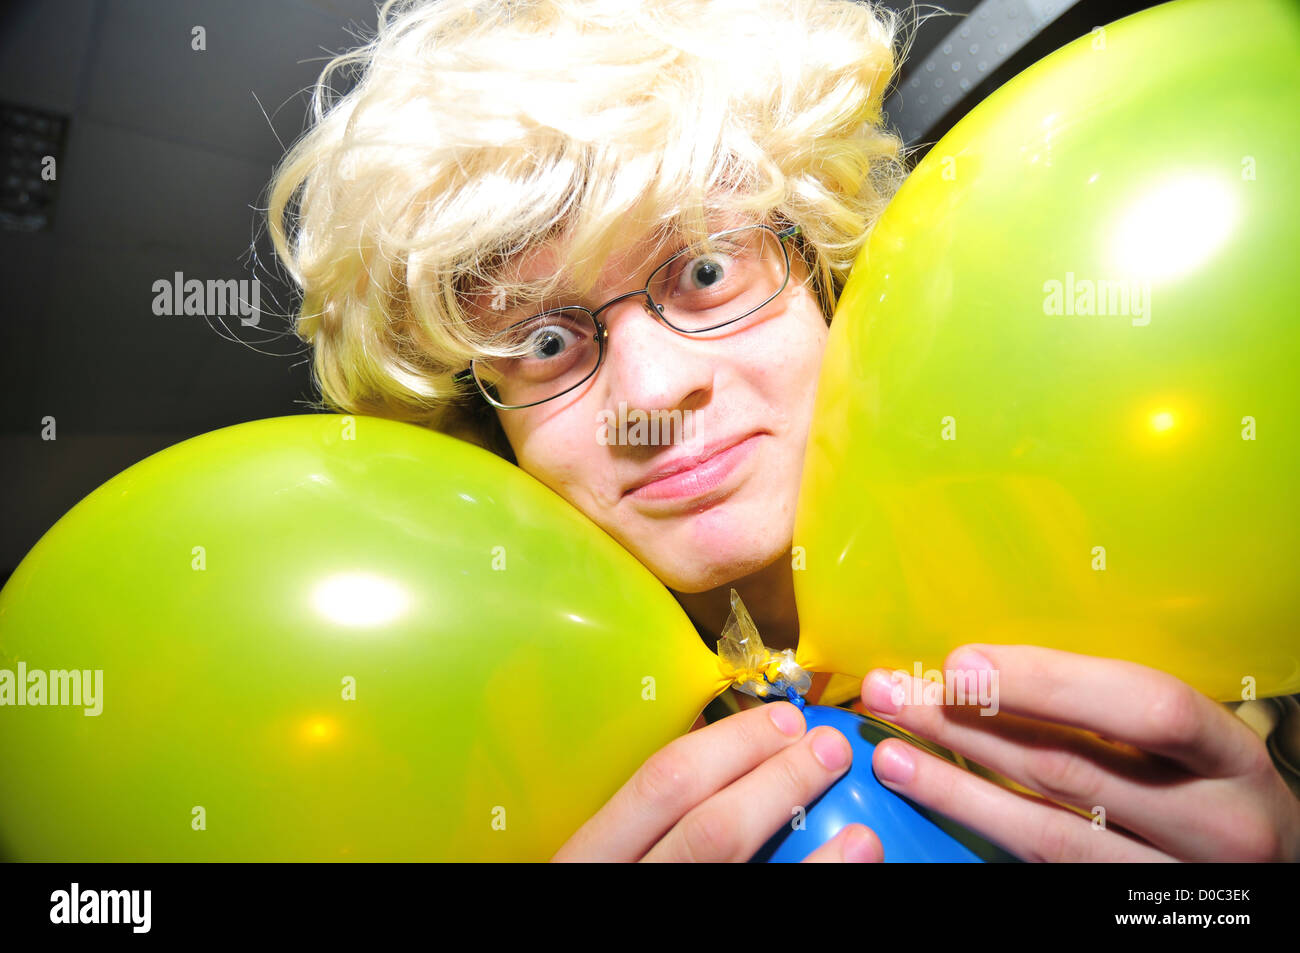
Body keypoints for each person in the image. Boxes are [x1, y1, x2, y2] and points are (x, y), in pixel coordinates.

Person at [266, 0, 1300, 862]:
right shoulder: (473, 760)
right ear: (479, 422)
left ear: (830, 269)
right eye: (541, 341)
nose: (652, 391)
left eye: (706, 269)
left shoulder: (1120, 562)